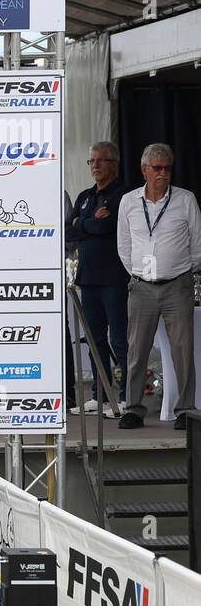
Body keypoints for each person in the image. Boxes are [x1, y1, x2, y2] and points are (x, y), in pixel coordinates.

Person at [117, 143, 201, 430]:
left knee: (183, 350)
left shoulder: (185, 200)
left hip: (177, 285)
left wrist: (177, 270)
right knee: (136, 351)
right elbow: (124, 245)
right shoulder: (128, 202)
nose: (163, 173)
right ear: (144, 170)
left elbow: (197, 245)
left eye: (167, 168)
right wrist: (139, 273)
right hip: (141, 287)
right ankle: (134, 408)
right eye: (157, 168)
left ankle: (186, 410)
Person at [66, 143, 129, 415]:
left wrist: (84, 223)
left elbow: (108, 226)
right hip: (88, 278)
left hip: (114, 277)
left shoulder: (124, 195)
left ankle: (127, 395)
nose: (94, 166)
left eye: (100, 161)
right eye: (91, 161)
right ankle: (99, 395)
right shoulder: (84, 196)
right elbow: (68, 231)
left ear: (113, 163)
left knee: (119, 339)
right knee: (94, 339)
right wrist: (88, 221)